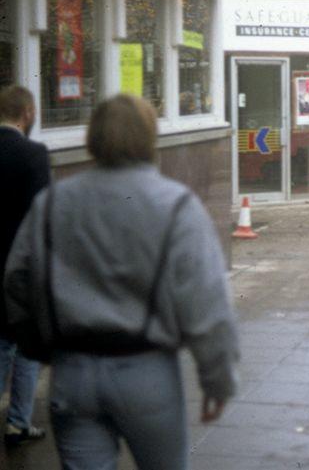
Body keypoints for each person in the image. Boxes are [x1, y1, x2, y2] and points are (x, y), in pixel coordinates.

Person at [4, 94, 239, 469]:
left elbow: (17, 279)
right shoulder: (176, 205)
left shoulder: (52, 203)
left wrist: (42, 346)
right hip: (147, 374)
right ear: (149, 138)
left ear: (92, 138)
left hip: (73, 373)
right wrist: (218, 379)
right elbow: (207, 301)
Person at [0, 86, 49, 445]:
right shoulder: (34, 154)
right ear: (27, 113)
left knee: (1, 344)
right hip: (22, 267)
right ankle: (17, 421)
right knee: (26, 345)